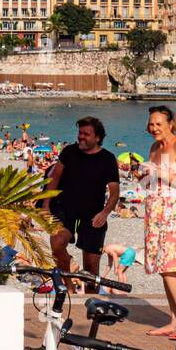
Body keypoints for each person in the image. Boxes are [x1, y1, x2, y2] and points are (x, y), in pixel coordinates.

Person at [134, 105, 176, 339]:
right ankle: (173, 320)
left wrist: (158, 172)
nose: (154, 128)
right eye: (151, 124)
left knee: (169, 265)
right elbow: (151, 182)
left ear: (171, 123)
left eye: (158, 124)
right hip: (156, 211)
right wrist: (142, 175)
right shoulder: (154, 147)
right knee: (164, 268)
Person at [43, 117, 120, 289]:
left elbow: (114, 193)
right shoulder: (69, 152)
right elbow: (55, 178)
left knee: (91, 270)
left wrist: (105, 213)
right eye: (80, 133)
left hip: (93, 215)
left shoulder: (108, 159)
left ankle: (91, 300)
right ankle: (68, 285)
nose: (81, 137)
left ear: (97, 137)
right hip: (64, 209)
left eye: (86, 134)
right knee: (57, 243)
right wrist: (46, 205)